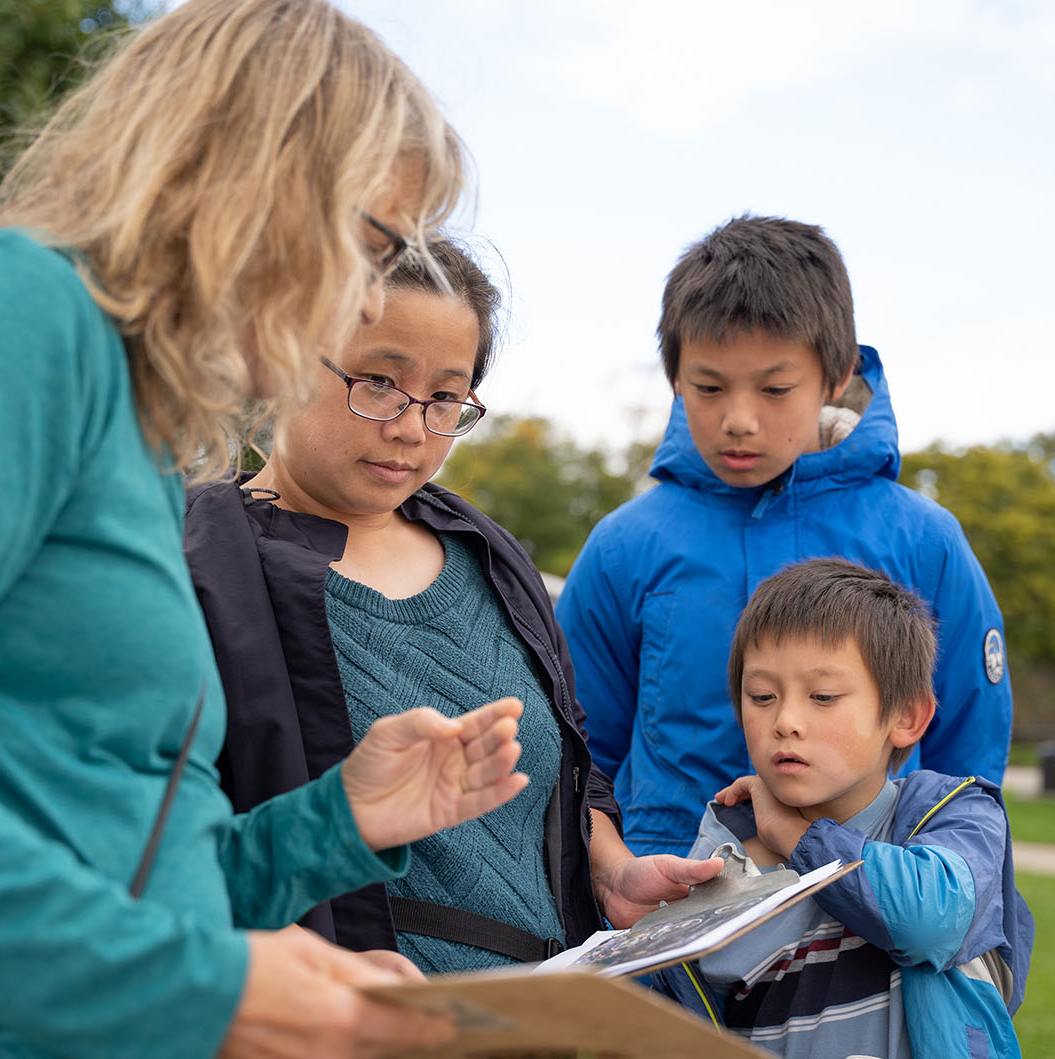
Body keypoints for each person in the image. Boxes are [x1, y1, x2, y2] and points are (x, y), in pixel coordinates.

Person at [0, 0, 525, 1056]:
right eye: (371, 245)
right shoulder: (10, 316)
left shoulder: (141, 444)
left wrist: (331, 832)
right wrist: (187, 985)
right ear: (255, 180)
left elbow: (117, 864)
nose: (367, 298)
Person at [184, 237, 722, 973]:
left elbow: (564, 762)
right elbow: (156, 840)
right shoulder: (199, 562)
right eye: (378, 381)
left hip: (543, 1017)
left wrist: (612, 869)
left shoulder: (488, 553)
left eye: (445, 397)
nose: (410, 427)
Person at [557, 215, 1014, 858]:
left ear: (835, 376)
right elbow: (578, 759)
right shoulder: (622, 547)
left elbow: (970, 770)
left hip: (869, 922)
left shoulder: (924, 541)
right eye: (708, 387)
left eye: (775, 388)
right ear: (675, 377)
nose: (738, 420)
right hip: (666, 923)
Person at [658, 558, 1033, 1058]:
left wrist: (795, 837)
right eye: (762, 695)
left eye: (824, 696)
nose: (786, 720)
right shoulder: (719, 848)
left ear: (905, 716)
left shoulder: (956, 812)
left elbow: (930, 922)